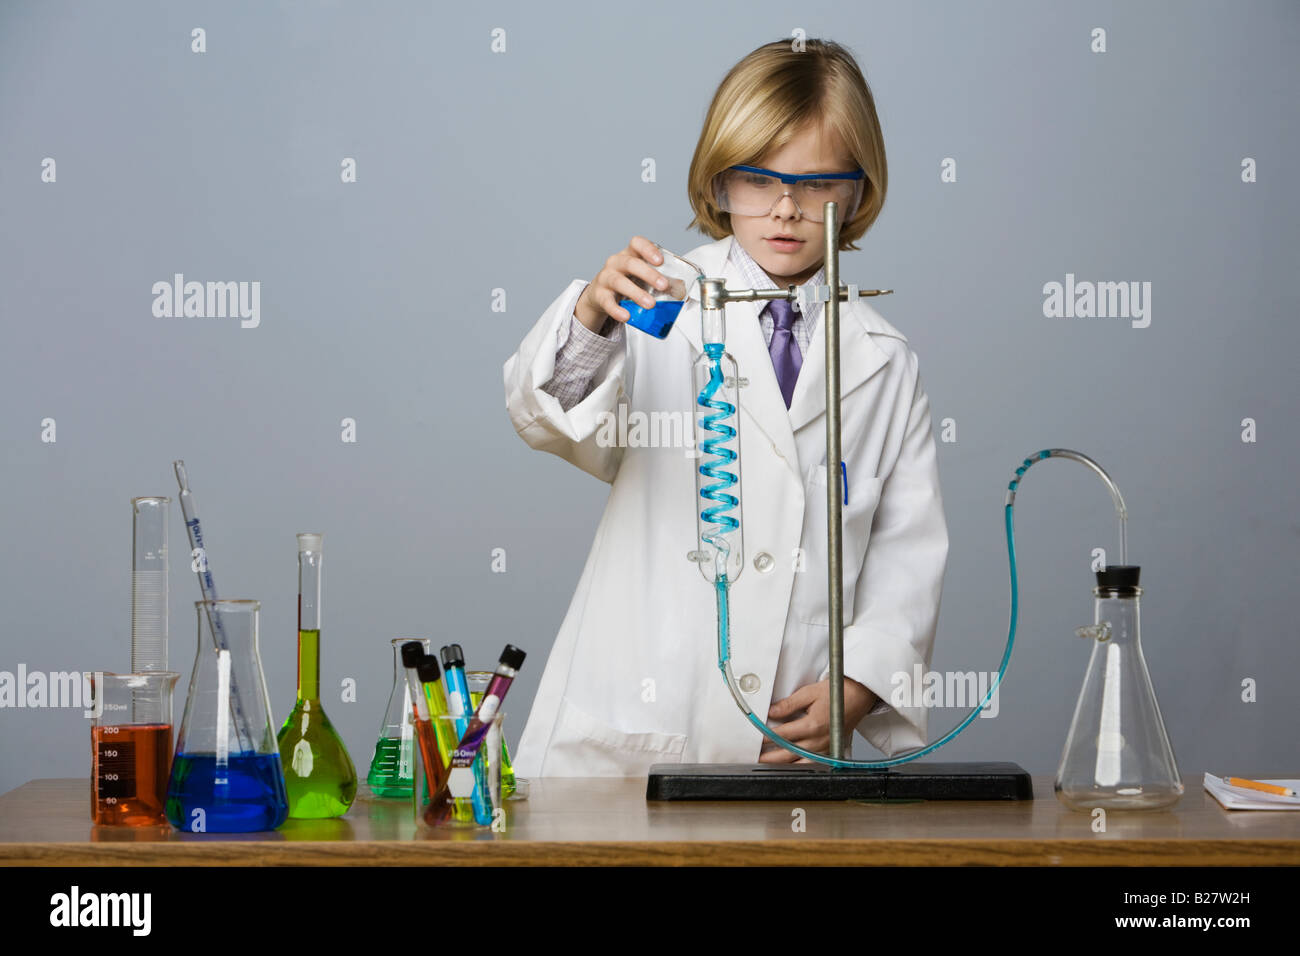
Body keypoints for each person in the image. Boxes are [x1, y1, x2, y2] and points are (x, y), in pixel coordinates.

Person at [503, 38, 949, 776]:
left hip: (788, 740)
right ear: (717, 182)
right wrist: (591, 319)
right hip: (633, 734)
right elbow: (553, 417)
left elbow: (908, 551)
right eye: (757, 178)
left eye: (817, 183)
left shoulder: (884, 360)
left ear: (860, 192)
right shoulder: (652, 304)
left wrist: (862, 681)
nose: (785, 208)